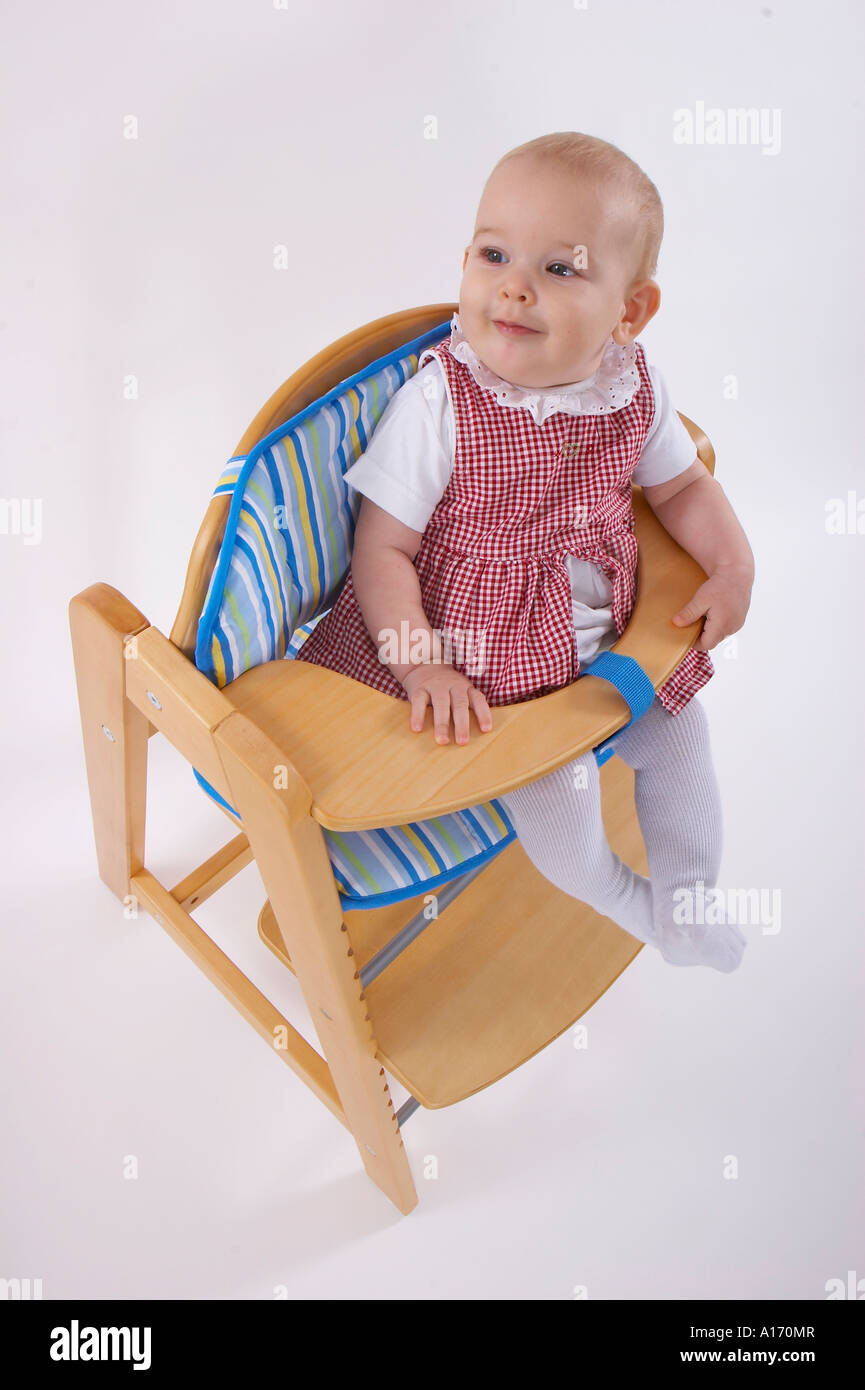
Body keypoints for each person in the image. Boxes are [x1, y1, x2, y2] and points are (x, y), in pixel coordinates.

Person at [295, 131, 755, 973]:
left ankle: (688, 899)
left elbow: (682, 489)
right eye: (494, 253)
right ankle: (637, 910)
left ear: (629, 312)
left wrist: (733, 566)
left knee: (685, 739)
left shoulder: (631, 385)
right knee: (566, 825)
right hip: (491, 670)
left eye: (560, 267)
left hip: (606, 633)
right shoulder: (440, 403)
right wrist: (422, 666)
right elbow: (382, 549)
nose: (512, 286)